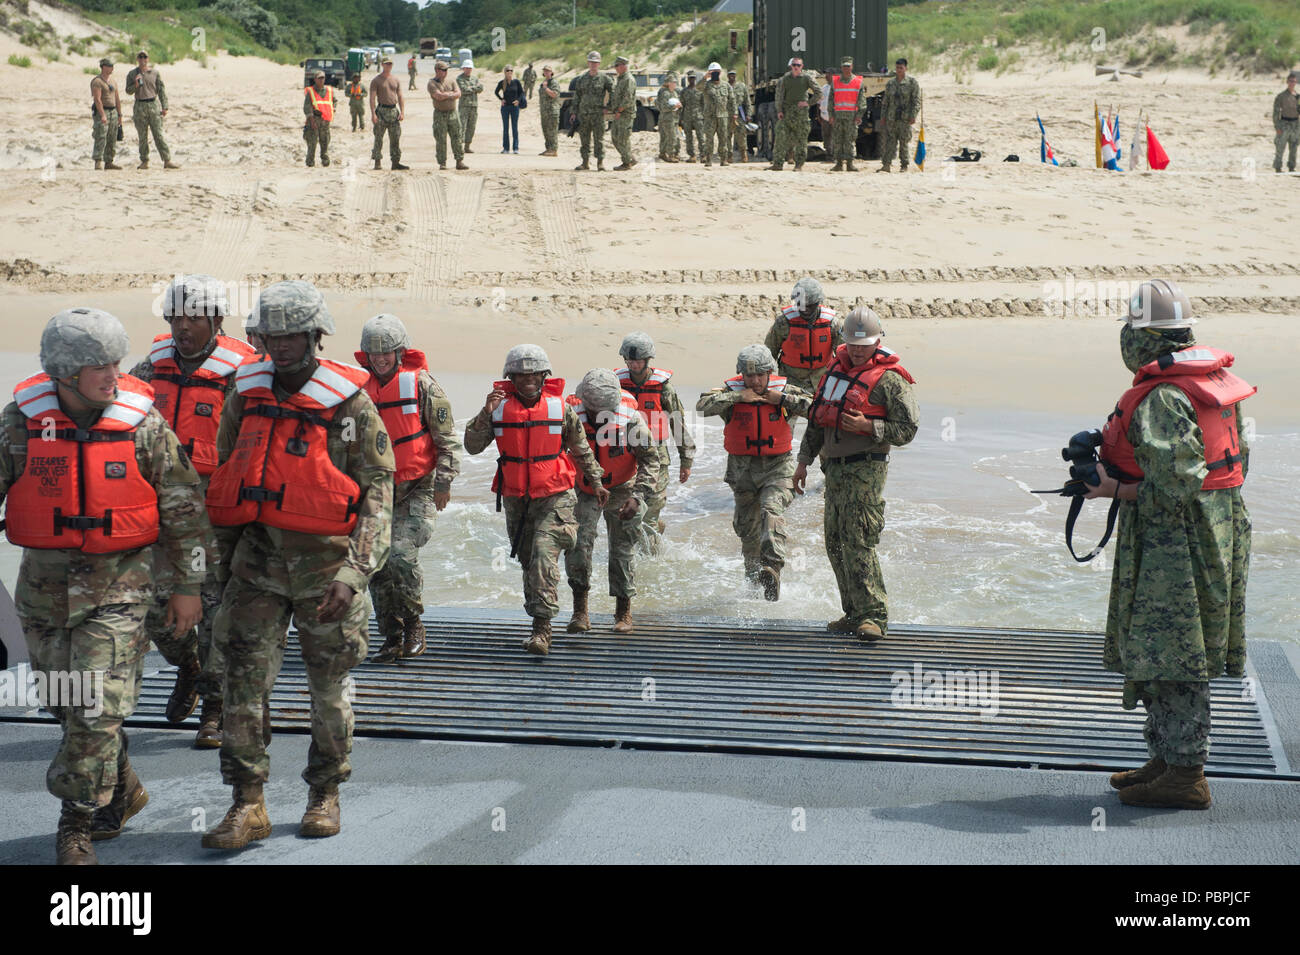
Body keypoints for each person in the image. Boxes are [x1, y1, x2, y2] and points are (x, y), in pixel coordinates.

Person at [1, 308, 206, 864]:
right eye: (99, 366)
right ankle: (124, 791)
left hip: (122, 589)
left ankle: (75, 823)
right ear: (64, 373)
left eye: (116, 361)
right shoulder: (21, 421)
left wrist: (188, 586)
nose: (114, 374)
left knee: (94, 703)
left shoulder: (142, 425)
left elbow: (185, 509)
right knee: (66, 704)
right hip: (43, 593)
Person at [201, 281, 394, 849]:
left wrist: (354, 573)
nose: (279, 346)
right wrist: (214, 567)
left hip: (327, 568)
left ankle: (324, 792)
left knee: (328, 689)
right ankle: (246, 803)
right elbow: (230, 476)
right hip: (257, 564)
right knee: (241, 683)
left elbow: (379, 493)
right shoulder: (246, 394)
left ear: (314, 335)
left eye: (290, 335)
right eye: (269, 335)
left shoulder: (352, 405)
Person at [1086, 280, 1253, 810]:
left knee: (1177, 651)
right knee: (1170, 649)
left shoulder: (1161, 395)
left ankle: (1186, 776)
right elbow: (1227, 461)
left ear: (1142, 340)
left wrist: (1112, 487)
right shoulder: (1210, 382)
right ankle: (1166, 758)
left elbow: (1174, 484)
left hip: (1175, 543)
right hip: (1217, 529)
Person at [128, 274, 256, 750]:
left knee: (217, 612)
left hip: (218, 511)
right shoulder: (151, 367)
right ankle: (188, 667)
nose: (183, 327)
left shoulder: (244, 372)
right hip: (163, 511)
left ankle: (215, 707)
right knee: (158, 611)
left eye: (193, 318)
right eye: (175, 317)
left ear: (216, 320)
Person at [463, 345, 606, 656]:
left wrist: (596, 482)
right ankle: (546, 618)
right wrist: (484, 413)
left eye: (534, 374)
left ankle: (542, 630)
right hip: (517, 500)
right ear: (510, 378)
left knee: (543, 555)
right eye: (521, 375)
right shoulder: (498, 408)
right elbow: (472, 446)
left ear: (545, 376)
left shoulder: (561, 409)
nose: (529, 380)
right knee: (529, 562)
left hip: (555, 496)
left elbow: (581, 449)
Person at [794, 306, 918, 640]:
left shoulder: (892, 380)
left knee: (859, 540)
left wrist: (869, 426)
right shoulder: (833, 372)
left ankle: (874, 617)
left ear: (878, 342)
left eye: (866, 344)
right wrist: (803, 460)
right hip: (832, 470)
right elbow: (818, 418)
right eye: (853, 344)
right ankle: (853, 613)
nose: (859, 350)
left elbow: (907, 430)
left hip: (865, 468)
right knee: (835, 542)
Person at [354, 314, 461, 662]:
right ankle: (391, 635)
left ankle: (414, 623)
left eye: (387, 351)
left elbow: (447, 441)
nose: (380, 358)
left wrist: (444, 483)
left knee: (399, 555)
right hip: (375, 491)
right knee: (375, 564)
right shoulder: (357, 390)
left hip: (419, 488)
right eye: (374, 352)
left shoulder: (422, 385)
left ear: (401, 352)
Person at [696, 345, 813, 601]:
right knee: (747, 532)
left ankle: (773, 569)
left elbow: (814, 408)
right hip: (743, 473)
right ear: (741, 376)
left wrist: (781, 400)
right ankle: (753, 586)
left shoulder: (784, 391)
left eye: (761, 375)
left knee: (771, 511)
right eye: (749, 376)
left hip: (778, 468)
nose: (756, 381)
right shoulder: (733, 392)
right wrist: (739, 398)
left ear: (770, 372)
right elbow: (702, 406)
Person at [563, 369, 661, 634]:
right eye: (593, 410)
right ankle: (580, 610)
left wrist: (638, 497)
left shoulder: (631, 420)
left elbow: (652, 460)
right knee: (578, 545)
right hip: (583, 488)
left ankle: (623, 611)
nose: (598, 416)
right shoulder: (569, 415)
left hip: (622, 487)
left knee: (623, 549)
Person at [615, 332, 695, 548]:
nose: (633, 364)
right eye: (629, 360)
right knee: (630, 513)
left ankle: (651, 564)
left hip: (657, 458)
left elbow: (678, 425)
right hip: (625, 456)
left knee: (648, 517)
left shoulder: (664, 388)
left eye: (638, 360)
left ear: (648, 360)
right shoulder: (616, 385)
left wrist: (686, 462)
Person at [765, 276, 843, 393]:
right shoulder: (783, 323)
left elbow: (843, 356)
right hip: (791, 382)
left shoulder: (832, 323)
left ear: (818, 302)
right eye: (800, 304)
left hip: (823, 381)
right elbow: (768, 354)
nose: (805, 309)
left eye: (810, 305)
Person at [124, 50, 179, 170]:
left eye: (145, 57)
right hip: (140, 106)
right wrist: (136, 85)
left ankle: (167, 160)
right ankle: (144, 161)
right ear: (137, 59)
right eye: (140, 57)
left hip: (153, 105)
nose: (143, 59)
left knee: (158, 134)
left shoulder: (154, 73)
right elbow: (128, 91)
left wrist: (165, 106)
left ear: (148, 59)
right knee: (142, 136)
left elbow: (161, 90)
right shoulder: (132, 74)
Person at [768, 57, 817, 171]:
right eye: (794, 65)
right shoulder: (785, 79)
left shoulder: (806, 78)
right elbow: (779, 96)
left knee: (801, 140)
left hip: (801, 114)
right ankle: (778, 164)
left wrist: (808, 103)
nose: (796, 67)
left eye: (798, 65)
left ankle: (798, 164)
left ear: (802, 66)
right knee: (780, 137)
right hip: (786, 112)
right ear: (791, 66)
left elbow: (818, 93)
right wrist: (779, 110)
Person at [572, 51, 613, 172]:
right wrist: (574, 111)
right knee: (584, 139)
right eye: (591, 62)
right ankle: (585, 163)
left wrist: (609, 107)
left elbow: (613, 91)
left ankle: (600, 163)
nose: (593, 64)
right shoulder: (581, 79)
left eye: (595, 62)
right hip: (584, 114)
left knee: (599, 139)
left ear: (599, 63)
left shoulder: (604, 78)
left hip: (598, 114)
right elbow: (577, 96)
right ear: (588, 63)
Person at [879, 57, 921, 173]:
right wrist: (883, 117)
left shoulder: (912, 83)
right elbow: (885, 102)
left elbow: (916, 101)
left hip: (905, 118)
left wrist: (913, 115)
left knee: (904, 142)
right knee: (890, 141)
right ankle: (886, 164)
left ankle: (904, 165)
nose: (899, 70)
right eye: (897, 68)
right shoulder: (890, 83)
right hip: (891, 118)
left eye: (901, 68)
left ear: (905, 68)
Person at [828, 57, 867, 172]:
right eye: (844, 66)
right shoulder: (835, 82)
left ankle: (850, 164)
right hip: (838, 116)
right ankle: (839, 163)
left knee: (850, 140)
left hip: (851, 117)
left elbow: (862, 100)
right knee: (838, 140)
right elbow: (831, 100)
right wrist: (831, 115)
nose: (846, 69)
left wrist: (859, 114)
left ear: (852, 67)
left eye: (848, 66)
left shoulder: (857, 82)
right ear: (841, 68)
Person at [427, 61, 468, 170]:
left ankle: (459, 161)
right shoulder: (432, 83)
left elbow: (458, 93)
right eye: (444, 70)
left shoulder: (451, 80)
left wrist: (447, 95)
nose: (446, 72)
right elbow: (438, 96)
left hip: (453, 113)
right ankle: (442, 163)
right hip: (440, 114)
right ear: (437, 70)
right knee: (441, 139)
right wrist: (451, 94)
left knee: (457, 137)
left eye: (446, 70)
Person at [370, 57, 407, 171]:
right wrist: (373, 114)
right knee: (378, 138)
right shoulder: (376, 80)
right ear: (382, 65)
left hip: (393, 111)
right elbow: (372, 98)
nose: (388, 66)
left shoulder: (395, 79)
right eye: (386, 64)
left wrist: (402, 112)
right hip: (381, 111)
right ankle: (377, 162)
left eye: (390, 64)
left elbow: (400, 96)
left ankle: (395, 162)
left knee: (395, 138)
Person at [697, 62, 735, 167]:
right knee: (709, 139)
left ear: (720, 72)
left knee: (723, 138)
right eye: (713, 72)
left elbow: (732, 100)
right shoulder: (706, 85)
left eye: (717, 72)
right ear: (710, 72)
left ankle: (724, 160)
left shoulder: (726, 85)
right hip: (710, 117)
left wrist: (734, 113)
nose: (715, 74)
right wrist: (705, 77)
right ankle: (708, 159)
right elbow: (698, 88)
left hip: (723, 116)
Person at [91, 58, 121, 171]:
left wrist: (119, 114)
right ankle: (98, 161)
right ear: (103, 67)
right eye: (110, 66)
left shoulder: (113, 81)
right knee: (101, 136)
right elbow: (97, 100)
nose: (112, 68)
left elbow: (117, 98)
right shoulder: (97, 81)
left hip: (113, 111)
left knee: (112, 137)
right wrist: (102, 115)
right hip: (103, 111)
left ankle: (109, 161)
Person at [608, 55, 638, 171]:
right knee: (615, 137)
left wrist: (620, 110)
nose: (615, 68)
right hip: (620, 113)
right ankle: (629, 158)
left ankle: (627, 162)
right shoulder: (621, 78)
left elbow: (628, 98)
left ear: (623, 66)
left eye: (617, 66)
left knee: (622, 138)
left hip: (625, 114)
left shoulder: (628, 79)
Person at [303, 70, 336, 168]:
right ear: (315, 79)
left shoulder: (329, 91)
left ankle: (325, 161)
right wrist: (311, 119)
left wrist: (333, 108)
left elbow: (334, 101)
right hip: (314, 120)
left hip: (325, 121)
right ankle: (310, 162)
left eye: (323, 78)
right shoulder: (311, 91)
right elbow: (307, 107)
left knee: (325, 141)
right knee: (312, 142)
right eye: (319, 78)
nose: (322, 80)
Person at [1274, 71, 1299, 173]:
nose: (1292, 83)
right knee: (1280, 147)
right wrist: (1277, 127)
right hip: (1284, 124)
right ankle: (1278, 166)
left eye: (1294, 81)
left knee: (1294, 148)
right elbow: (1275, 113)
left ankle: (1291, 166)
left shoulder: (1298, 96)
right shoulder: (1281, 96)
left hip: (1295, 125)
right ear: (1287, 82)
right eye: (1290, 81)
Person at [496, 66, 524, 155]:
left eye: (511, 70)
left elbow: (521, 92)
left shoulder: (516, 82)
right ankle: (506, 148)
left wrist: (518, 101)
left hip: (514, 108)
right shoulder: (502, 83)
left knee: (514, 128)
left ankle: (515, 148)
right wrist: (501, 99)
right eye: (508, 70)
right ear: (505, 72)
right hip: (505, 108)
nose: (509, 72)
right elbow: (496, 92)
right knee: (505, 128)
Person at [457, 60, 483, 153]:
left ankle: (467, 146)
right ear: (463, 68)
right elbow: (463, 89)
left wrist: (471, 88)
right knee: (462, 126)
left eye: (470, 68)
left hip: (474, 105)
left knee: (471, 126)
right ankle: (459, 146)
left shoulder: (474, 78)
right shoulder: (459, 78)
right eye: (467, 68)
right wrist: (474, 88)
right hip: (464, 106)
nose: (468, 70)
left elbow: (481, 88)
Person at [655, 72, 682, 163]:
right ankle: (671, 155)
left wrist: (679, 107)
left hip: (674, 118)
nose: (675, 84)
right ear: (669, 83)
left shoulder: (674, 93)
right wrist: (674, 106)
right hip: (667, 118)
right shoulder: (665, 93)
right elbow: (663, 107)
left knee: (669, 137)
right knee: (671, 137)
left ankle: (664, 153)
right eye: (673, 82)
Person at [537, 65, 561, 157]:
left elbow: (554, 95)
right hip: (544, 111)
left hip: (552, 111)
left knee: (552, 131)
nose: (546, 72)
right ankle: (548, 149)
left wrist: (546, 88)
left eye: (548, 71)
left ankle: (553, 149)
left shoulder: (554, 83)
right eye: (545, 71)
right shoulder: (544, 82)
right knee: (546, 130)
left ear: (551, 72)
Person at [727, 68, 750, 162]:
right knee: (727, 136)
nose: (732, 76)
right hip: (727, 114)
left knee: (741, 136)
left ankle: (743, 154)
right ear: (727, 76)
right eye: (730, 74)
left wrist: (748, 114)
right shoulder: (725, 86)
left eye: (733, 74)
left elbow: (747, 101)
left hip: (739, 115)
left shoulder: (742, 86)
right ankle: (729, 156)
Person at [680, 70, 702, 163]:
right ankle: (692, 155)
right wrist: (680, 119)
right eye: (690, 78)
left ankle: (704, 155)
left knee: (701, 136)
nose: (692, 80)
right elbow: (681, 105)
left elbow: (704, 104)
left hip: (698, 116)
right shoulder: (684, 91)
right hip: (687, 117)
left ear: (695, 79)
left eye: (693, 78)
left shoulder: (700, 91)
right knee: (688, 137)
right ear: (688, 79)